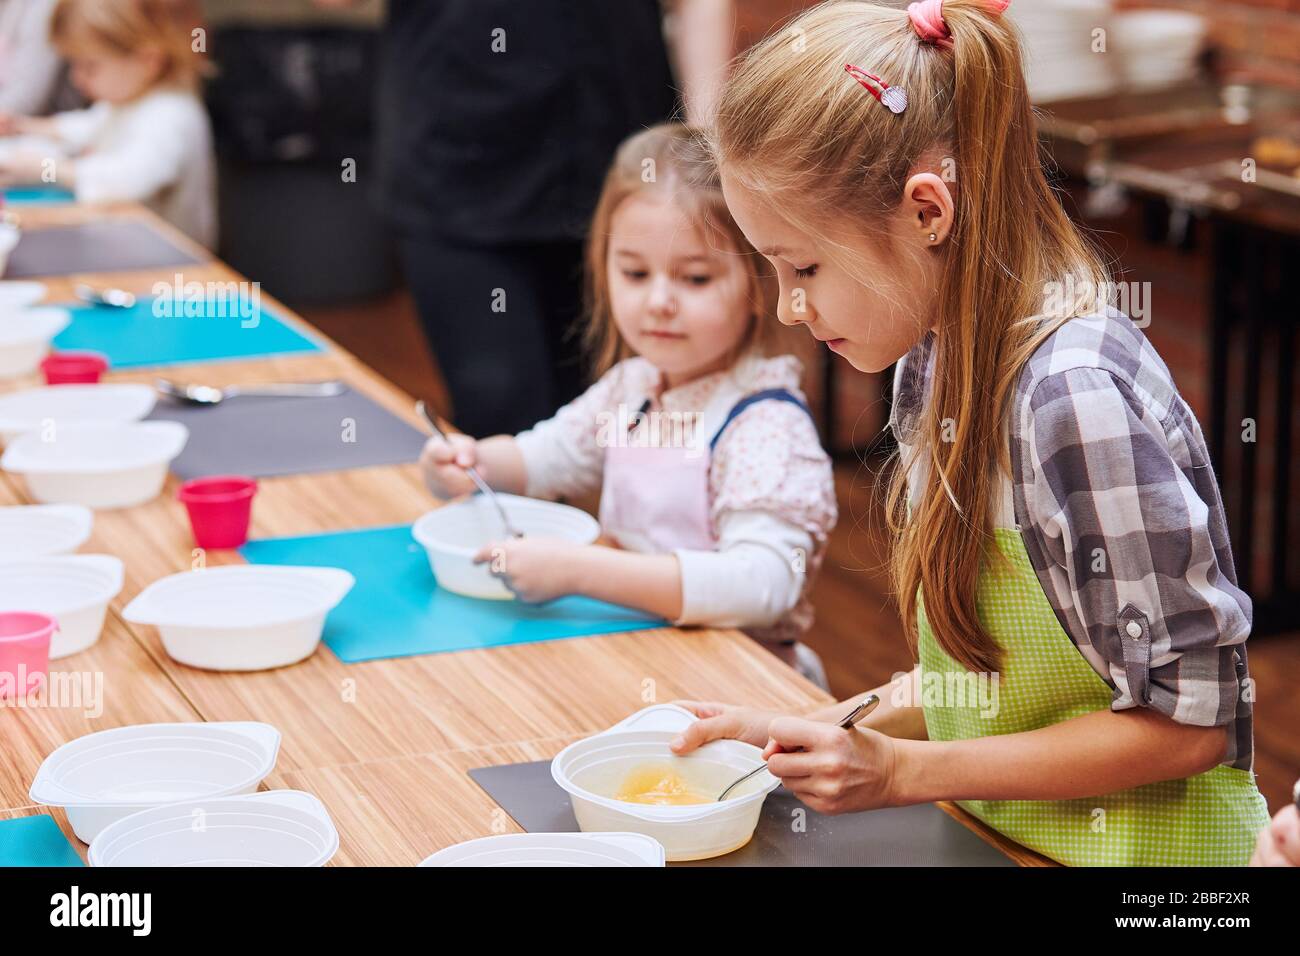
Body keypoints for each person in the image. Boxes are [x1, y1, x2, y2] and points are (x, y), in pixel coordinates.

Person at [671, 0, 1269, 865]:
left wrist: (903, 773)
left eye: (803, 267)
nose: (787, 308)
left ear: (927, 213)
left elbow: (1189, 724)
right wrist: (817, 726)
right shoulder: (934, 359)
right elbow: (994, 686)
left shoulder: (1073, 403)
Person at [419, 124, 837, 687]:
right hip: (635, 663)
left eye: (694, 277)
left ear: (760, 281)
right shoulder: (632, 387)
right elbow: (547, 456)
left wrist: (580, 571)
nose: (659, 301)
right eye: (635, 273)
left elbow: (761, 585)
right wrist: (473, 466)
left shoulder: (764, 422)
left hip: (739, 689)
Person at [316, 0, 734, 436]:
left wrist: (708, 155)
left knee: (621, 414)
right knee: (501, 409)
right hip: (456, 171)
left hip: (620, 162)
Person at [0, 0, 215, 247]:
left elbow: (127, 179)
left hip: (174, 269)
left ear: (148, 61)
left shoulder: (172, 114)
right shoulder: (125, 101)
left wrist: (47, 169)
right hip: (123, 247)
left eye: (89, 66)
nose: (76, 78)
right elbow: (85, 127)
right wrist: (23, 126)